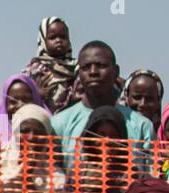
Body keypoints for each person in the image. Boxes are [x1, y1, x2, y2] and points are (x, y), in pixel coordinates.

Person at [52, 41, 156, 170]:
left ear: (116, 71)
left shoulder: (141, 126)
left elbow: (151, 180)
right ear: (78, 74)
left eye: (101, 65)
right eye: (86, 67)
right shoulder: (59, 124)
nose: (93, 72)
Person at [24, 17, 76, 112]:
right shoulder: (36, 68)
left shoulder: (76, 67)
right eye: (53, 37)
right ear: (43, 40)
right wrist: (37, 94)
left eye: (63, 37)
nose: (58, 40)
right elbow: (22, 97)